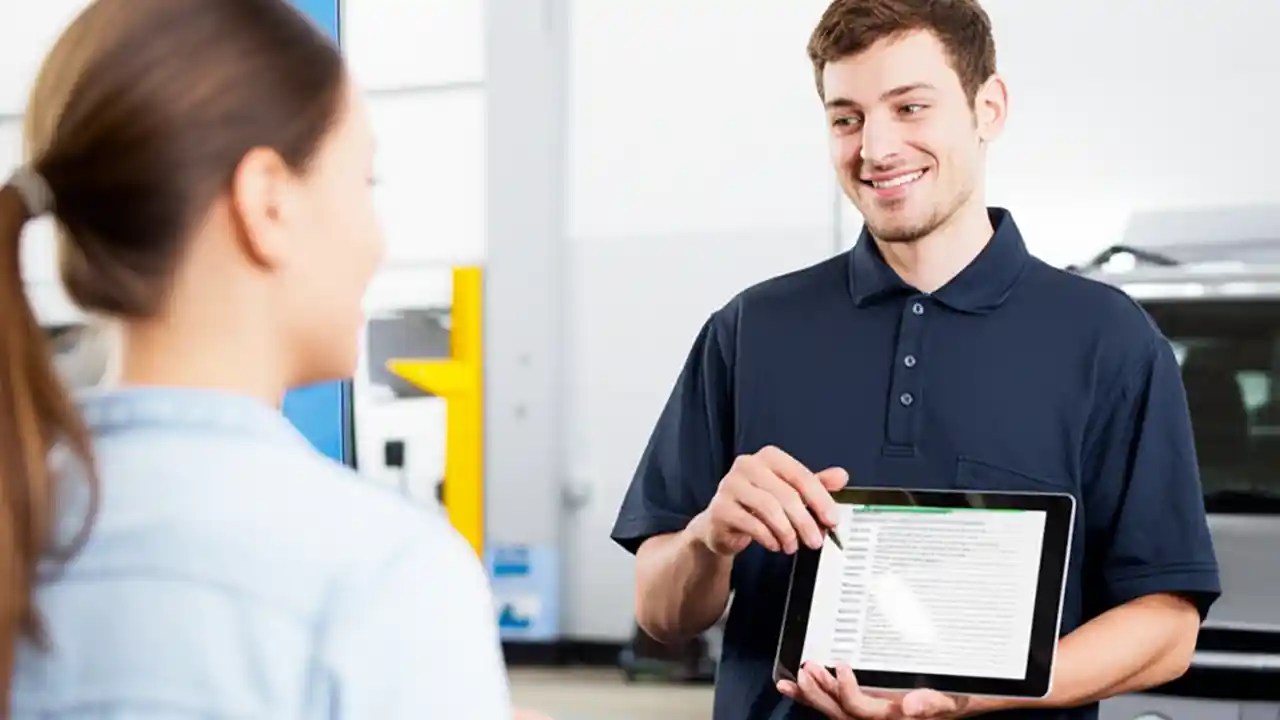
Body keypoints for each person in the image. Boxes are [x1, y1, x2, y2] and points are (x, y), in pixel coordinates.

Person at [610, 0, 1221, 718]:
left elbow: (1167, 626)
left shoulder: (1108, 340)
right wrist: (710, 538)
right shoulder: (749, 329)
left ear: (987, 108)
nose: (875, 147)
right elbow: (661, 612)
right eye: (847, 118)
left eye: (909, 107)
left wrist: (969, 696)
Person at [0, 0, 525, 717]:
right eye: (363, 183)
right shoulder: (384, 572)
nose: (377, 239)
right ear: (267, 201)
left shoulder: (23, 525)